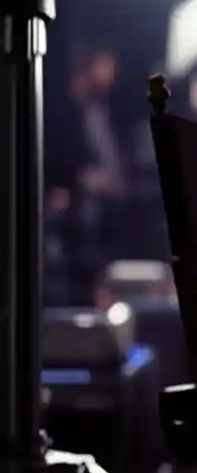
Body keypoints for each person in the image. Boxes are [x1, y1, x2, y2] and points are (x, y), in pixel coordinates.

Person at [46, 47, 129, 305]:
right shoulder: (64, 111)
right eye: (106, 66)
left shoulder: (100, 110)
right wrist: (88, 180)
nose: (111, 75)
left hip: (102, 215)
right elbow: (61, 160)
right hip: (74, 214)